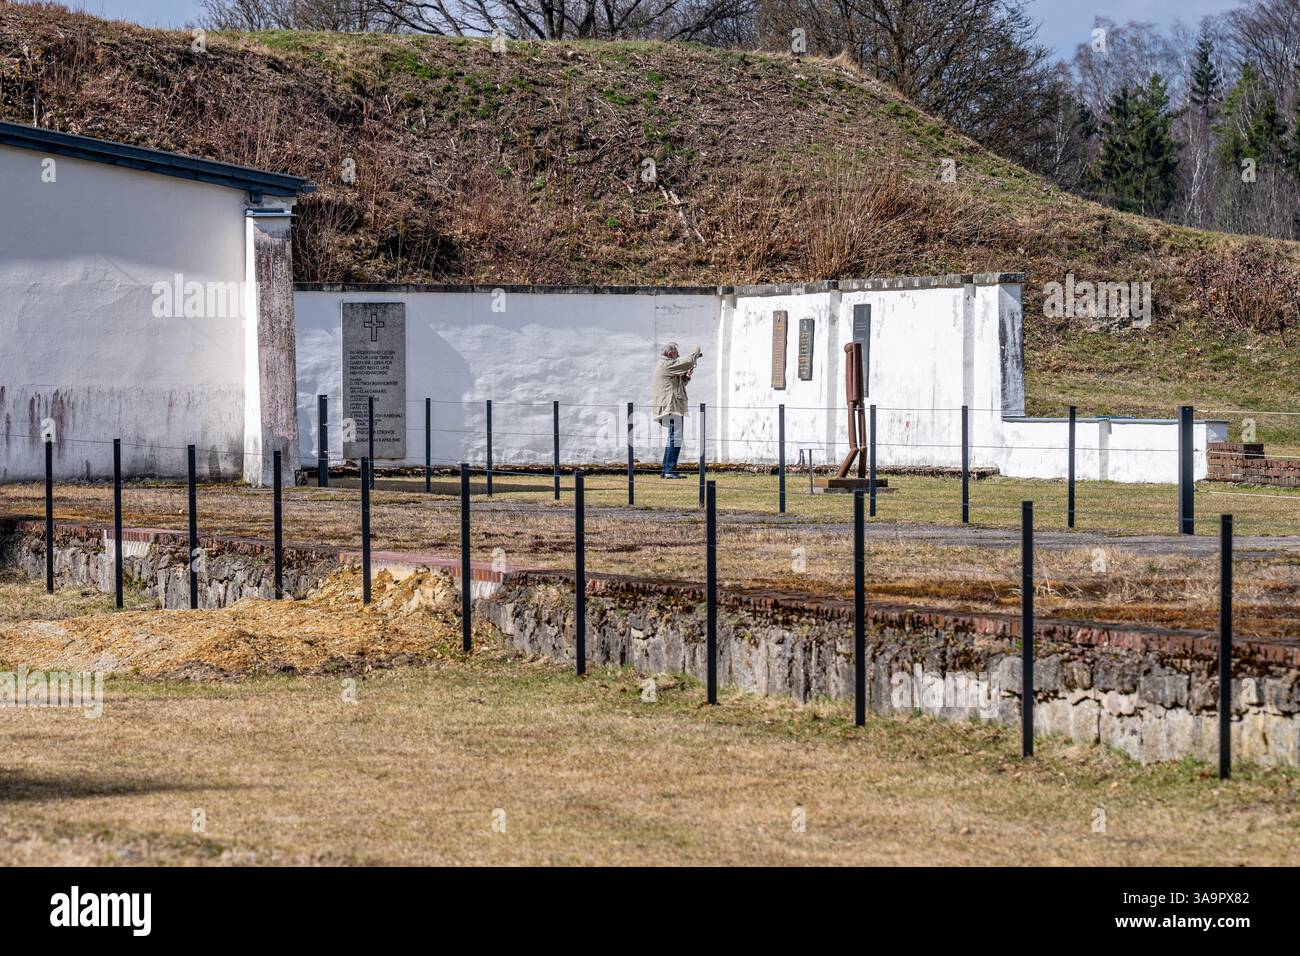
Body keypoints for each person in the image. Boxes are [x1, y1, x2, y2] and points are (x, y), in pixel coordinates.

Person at [651, 341, 702, 479]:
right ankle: (669, 471)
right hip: (671, 406)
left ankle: (667, 470)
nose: (678, 355)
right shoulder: (667, 364)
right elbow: (689, 361)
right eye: (676, 353)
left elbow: (677, 385)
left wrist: (686, 378)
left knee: (673, 438)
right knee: (676, 438)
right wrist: (696, 350)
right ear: (670, 353)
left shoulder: (666, 365)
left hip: (671, 406)